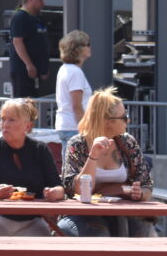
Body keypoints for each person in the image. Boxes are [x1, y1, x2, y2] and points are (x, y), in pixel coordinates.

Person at [58, 87, 155, 237]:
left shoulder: (127, 142)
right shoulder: (78, 144)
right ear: (107, 122)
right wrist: (93, 155)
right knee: (99, 235)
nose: (128, 120)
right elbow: (74, 189)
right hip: (82, 214)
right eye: (124, 116)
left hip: (122, 213)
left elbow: (146, 185)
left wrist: (139, 193)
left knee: (144, 236)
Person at [0, 98, 65, 236]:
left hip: (30, 221)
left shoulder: (40, 150)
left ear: (28, 126)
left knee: (47, 247)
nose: (5, 124)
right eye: (2, 119)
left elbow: (59, 187)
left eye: (11, 120)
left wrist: (54, 192)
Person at [9, 0, 49, 97]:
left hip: (35, 72)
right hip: (24, 71)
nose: (43, 3)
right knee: (23, 105)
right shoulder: (20, 17)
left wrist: (43, 67)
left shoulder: (36, 19)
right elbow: (17, 41)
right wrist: (29, 64)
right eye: (40, 0)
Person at [55, 30, 92, 151]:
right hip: (74, 127)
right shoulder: (75, 72)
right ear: (78, 48)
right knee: (76, 168)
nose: (90, 47)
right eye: (87, 44)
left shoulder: (65, 69)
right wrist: (85, 129)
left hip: (66, 125)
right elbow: (77, 105)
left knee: (70, 166)